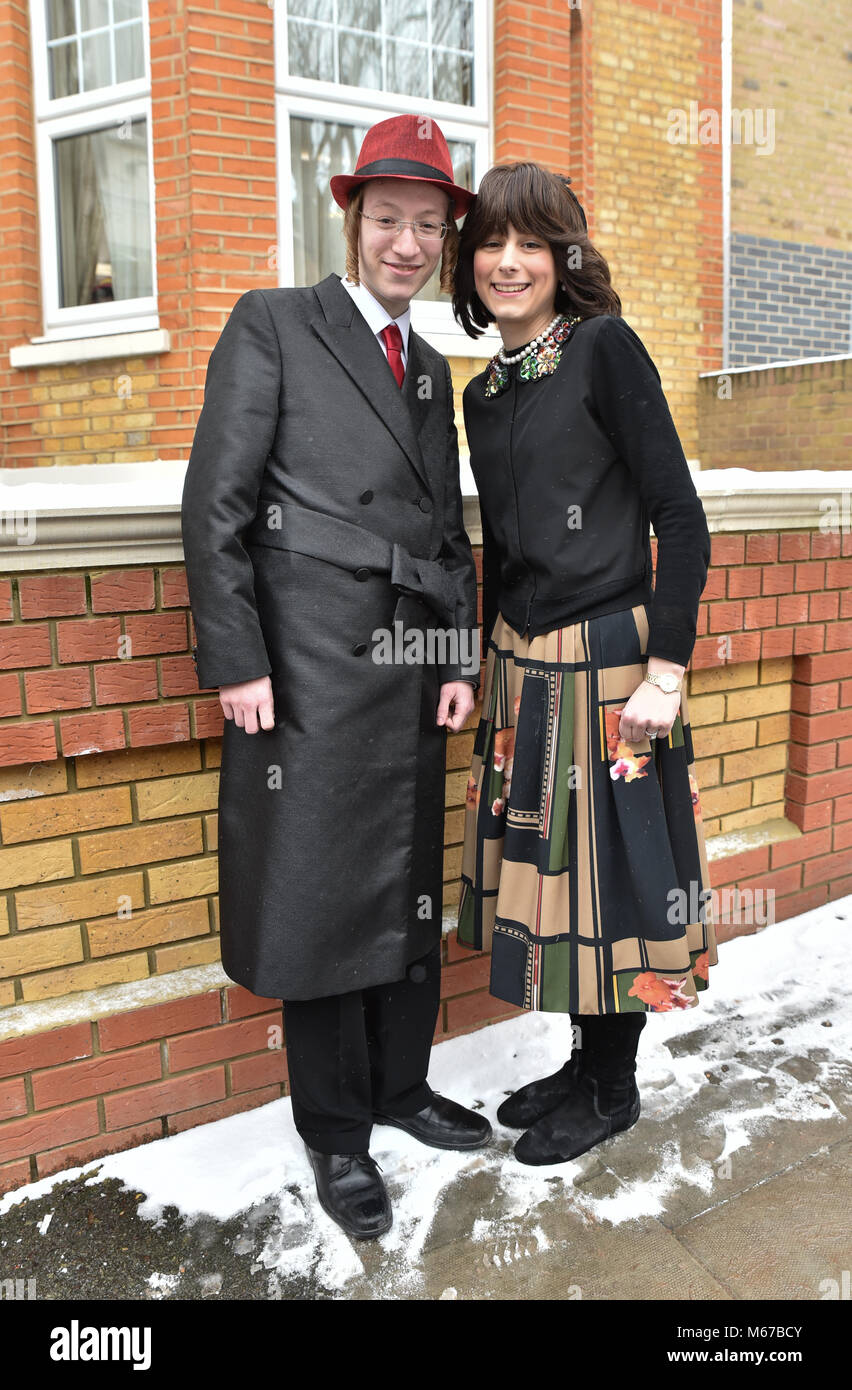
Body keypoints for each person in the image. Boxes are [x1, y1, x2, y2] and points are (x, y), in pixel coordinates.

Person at [180, 114, 491, 1242]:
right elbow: (214, 507)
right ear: (351, 219)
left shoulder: (433, 371)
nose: (407, 244)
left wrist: (459, 654)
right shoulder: (273, 324)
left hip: (411, 668)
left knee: (403, 881)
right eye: (388, 220)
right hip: (305, 671)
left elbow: (448, 532)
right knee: (319, 892)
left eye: (427, 226)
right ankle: (336, 1130)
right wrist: (238, 658)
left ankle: (402, 1086)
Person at [452, 161, 719, 1166]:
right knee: (559, 886)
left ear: (566, 258)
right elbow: (506, 552)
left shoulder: (604, 350)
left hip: (612, 670)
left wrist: (669, 665)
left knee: (611, 887)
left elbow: (678, 516)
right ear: (469, 260)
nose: (509, 261)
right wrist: (485, 660)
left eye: (533, 243)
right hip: (524, 670)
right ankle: (581, 1056)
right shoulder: (487, 391)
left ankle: (613, 1089)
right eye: (491, 242)